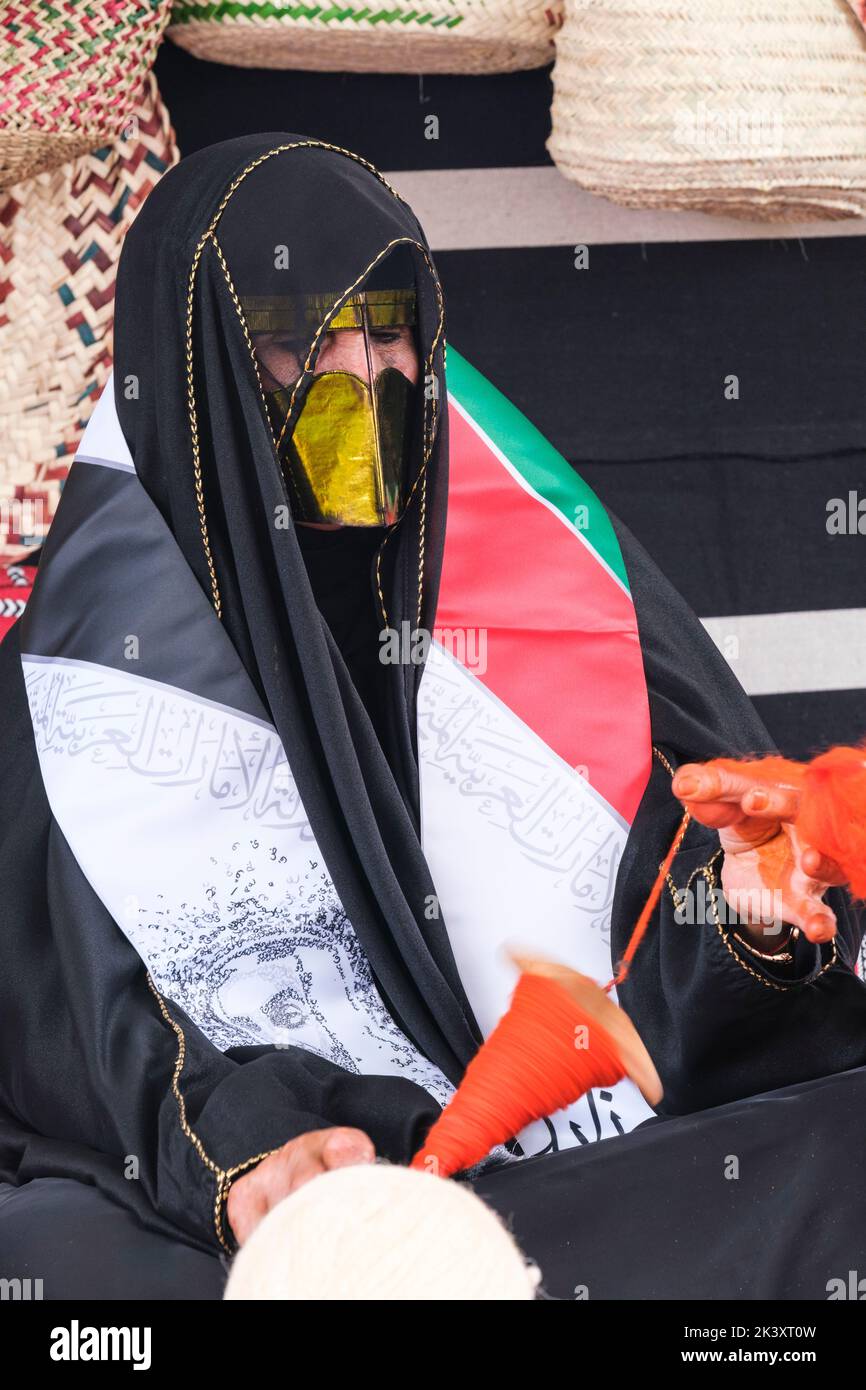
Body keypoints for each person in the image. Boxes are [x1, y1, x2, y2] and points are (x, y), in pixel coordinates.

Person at [1, 135, 864, 1302]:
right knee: (62, 1266)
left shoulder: (553, 590)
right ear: (191, 368)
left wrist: (750, 924)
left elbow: (689, 1001)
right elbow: (82, 1046)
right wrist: (256, 1153)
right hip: (310, 1201)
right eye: (294, 346)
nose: (361, 388)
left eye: (390, 332)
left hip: (593, 1175)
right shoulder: (70, 693)